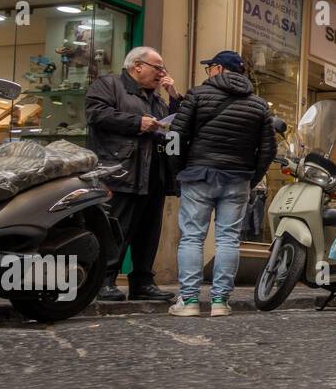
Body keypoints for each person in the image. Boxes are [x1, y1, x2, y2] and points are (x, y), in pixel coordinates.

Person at [166, 51, 276, 318]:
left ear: (219, 69)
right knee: (228, 239)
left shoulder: (196, 95)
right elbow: (268, 149)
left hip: (199, 175)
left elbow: (174, 136)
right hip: (237, 178)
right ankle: (219, 302)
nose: (209, 72)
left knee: (193, 237)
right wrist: (252, 177)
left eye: (210, 68)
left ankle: (190, 301)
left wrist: (178, 171)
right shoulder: (259, 105)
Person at [85, 46, 180, 302]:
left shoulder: (157, 99)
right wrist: (136, 122)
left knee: (148, 233)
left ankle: (143, 282)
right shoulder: (109, 85)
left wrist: (174, 97)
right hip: (121, 172)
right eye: (157, 68)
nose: (162, 74)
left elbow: (178, 128)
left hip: (153, 175)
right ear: (137, 66)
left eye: (163, 69)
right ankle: (103, 281)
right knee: (116, 229)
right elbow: (96, 114)